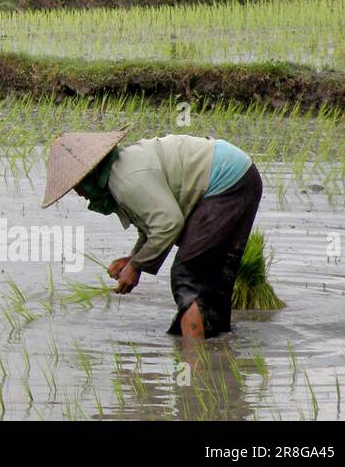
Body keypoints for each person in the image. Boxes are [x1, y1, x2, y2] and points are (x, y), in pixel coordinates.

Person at [42, 130, 263, 340]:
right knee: (213, 283)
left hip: (226, 180)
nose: (80, 194)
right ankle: (217, 361)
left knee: (187, 276)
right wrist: (133, 258)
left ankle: (194, 366)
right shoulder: (123, 169)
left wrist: (137, 267)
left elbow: (168, 223)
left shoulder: (126, 181)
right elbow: (152, 225)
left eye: (78, 185)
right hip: (239, 175)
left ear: (91, 173)